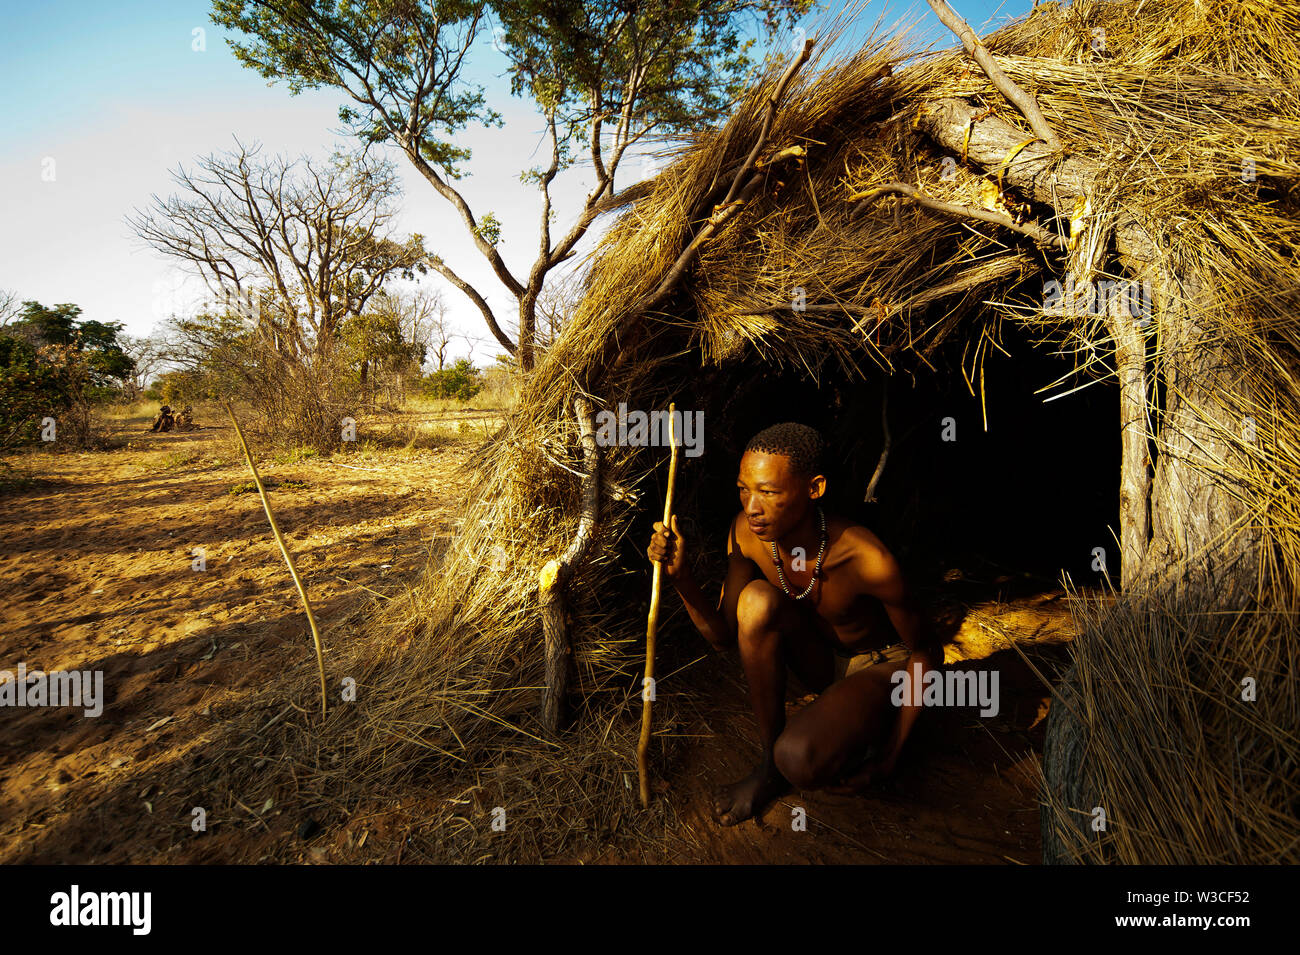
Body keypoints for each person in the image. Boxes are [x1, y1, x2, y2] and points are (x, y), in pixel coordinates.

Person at [646, 421, 939, 826]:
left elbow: (926, 651)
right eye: (744, 489)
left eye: (768, 492)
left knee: (797, 758)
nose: (752, 506)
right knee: (755, 600)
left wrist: (892, 755)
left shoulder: (867, 559)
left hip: (883, 668)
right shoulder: (746, 536)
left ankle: (858, 734)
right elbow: (723, 638)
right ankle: (768, 767)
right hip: (821, 663)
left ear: (814, 489)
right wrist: (682, 579)